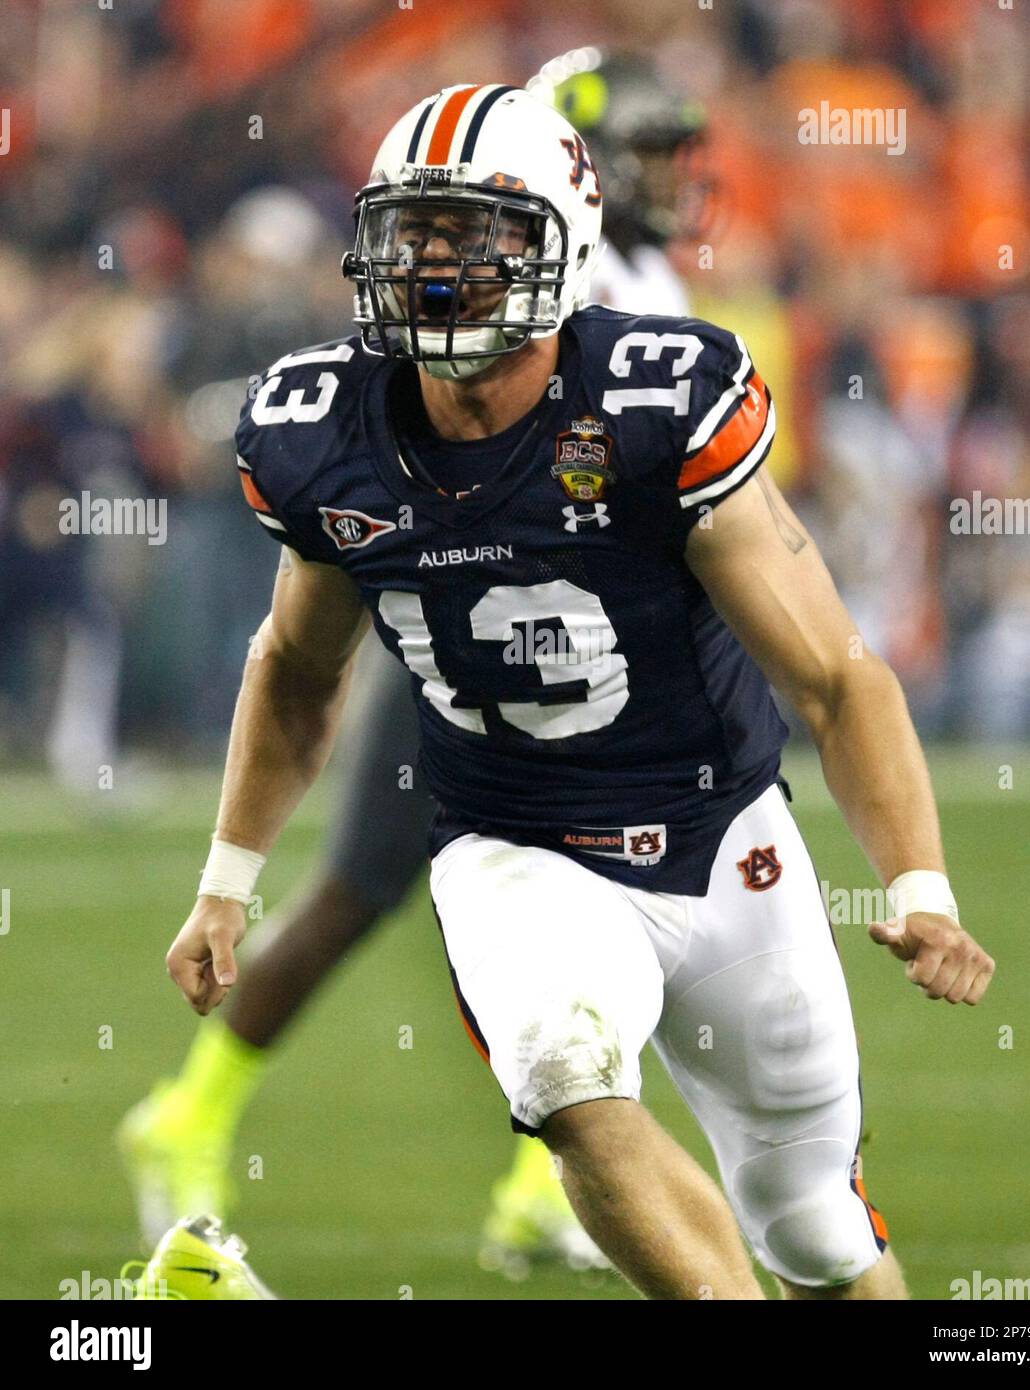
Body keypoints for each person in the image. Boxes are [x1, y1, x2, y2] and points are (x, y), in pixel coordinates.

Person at [138, 83, 994, 1301]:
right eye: (411, 232)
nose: (433, 268)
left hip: (719, 832)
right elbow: (294, 668)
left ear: (559, 245)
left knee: (816, 1229)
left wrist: (919, 886)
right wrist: (227, 881)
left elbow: (834, 677)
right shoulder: (321, 429)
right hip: (514, 843)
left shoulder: (656, 399)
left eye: (470, 236)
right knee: (563, 1075)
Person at [117, 52, 709, 1277]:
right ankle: (190, 1114)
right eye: (647, 151)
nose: (668, 178)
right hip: (482, 639)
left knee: (620, 889)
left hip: (585, 642)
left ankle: (537, 1183)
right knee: (380, 887)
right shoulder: (549, 275)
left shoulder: (637, 282)